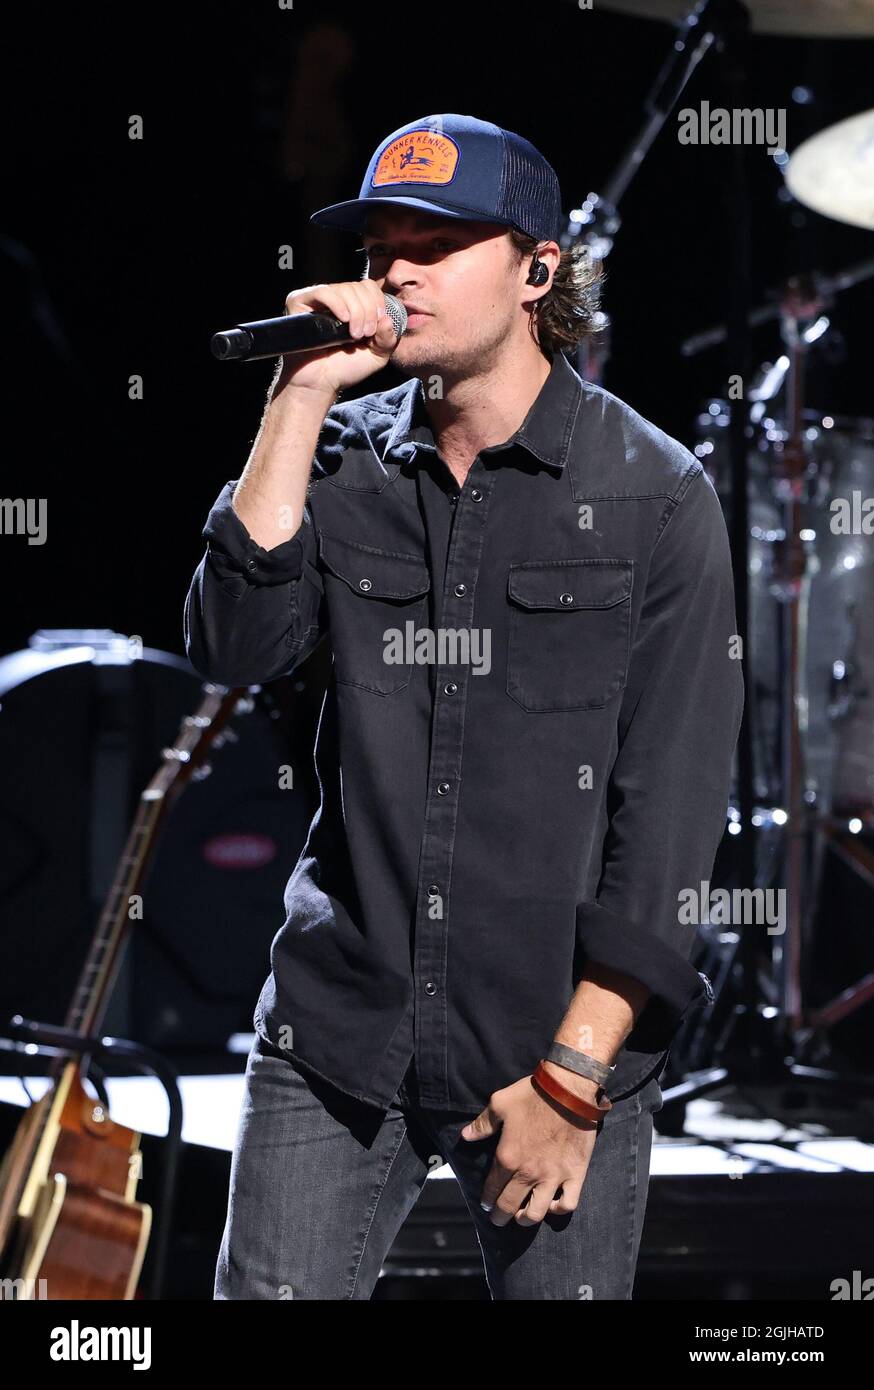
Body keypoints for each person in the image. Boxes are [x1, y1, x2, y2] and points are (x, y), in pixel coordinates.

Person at [184, 113, 744, 1300]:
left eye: (436, 243)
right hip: (340, 1028)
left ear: (538, 269)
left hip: (546, 1048)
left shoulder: (655, 495)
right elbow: (233, 650)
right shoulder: (338, 462)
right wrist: (294, 400)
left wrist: (571, 1077)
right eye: (384, 244)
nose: (395, 271)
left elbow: (673, 819)